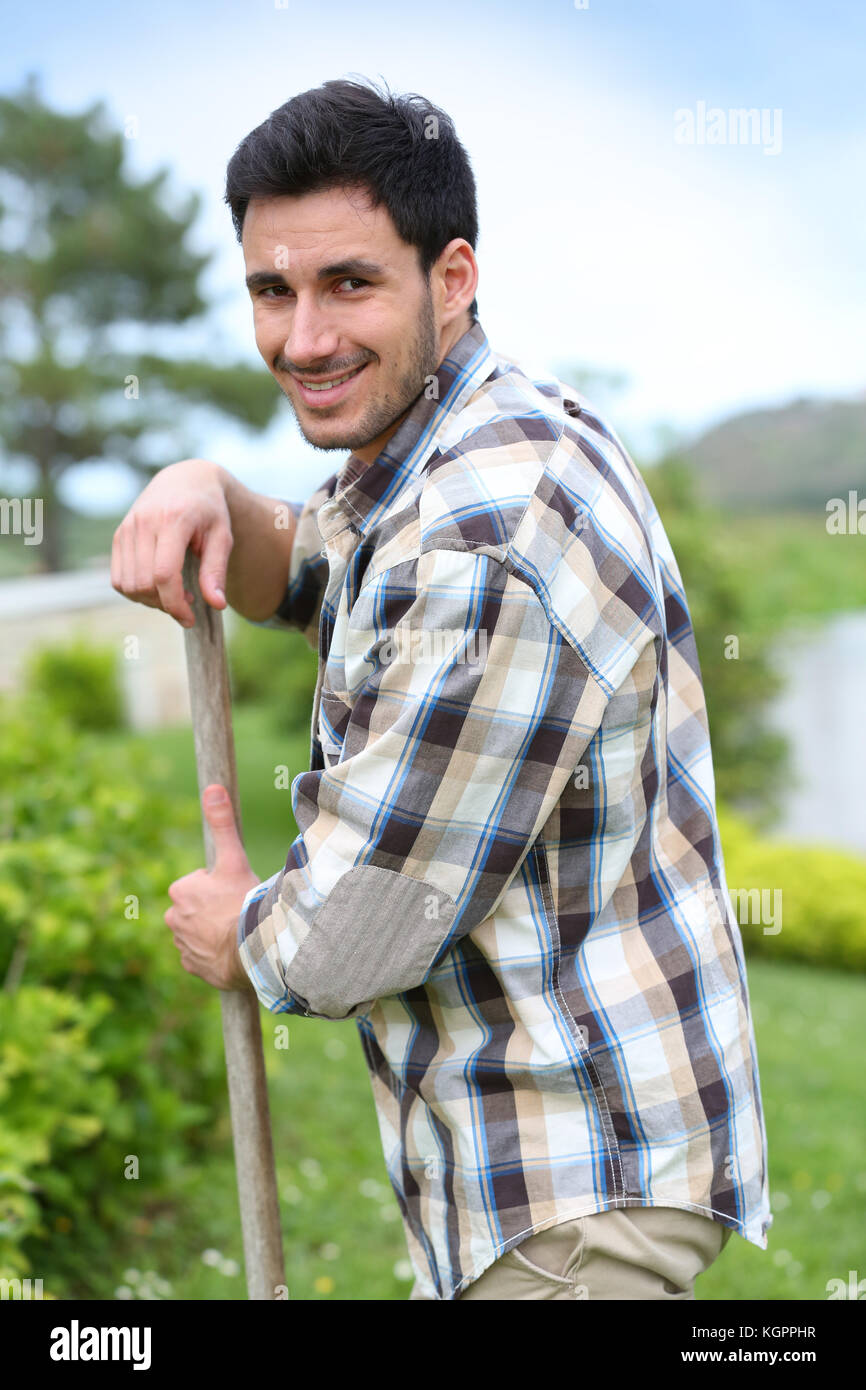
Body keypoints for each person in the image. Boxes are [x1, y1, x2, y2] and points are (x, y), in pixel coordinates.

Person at [111, 76, 772, 1302]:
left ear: (450, 277)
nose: (302, 338)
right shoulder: (442, 447)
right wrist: (210, 487)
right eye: (272, 289)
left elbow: (356, 929)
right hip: (532, 1181)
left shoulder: (486, 529)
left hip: (573, 1195)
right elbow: (313, 565)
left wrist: (234, 926)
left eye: (348, 283)